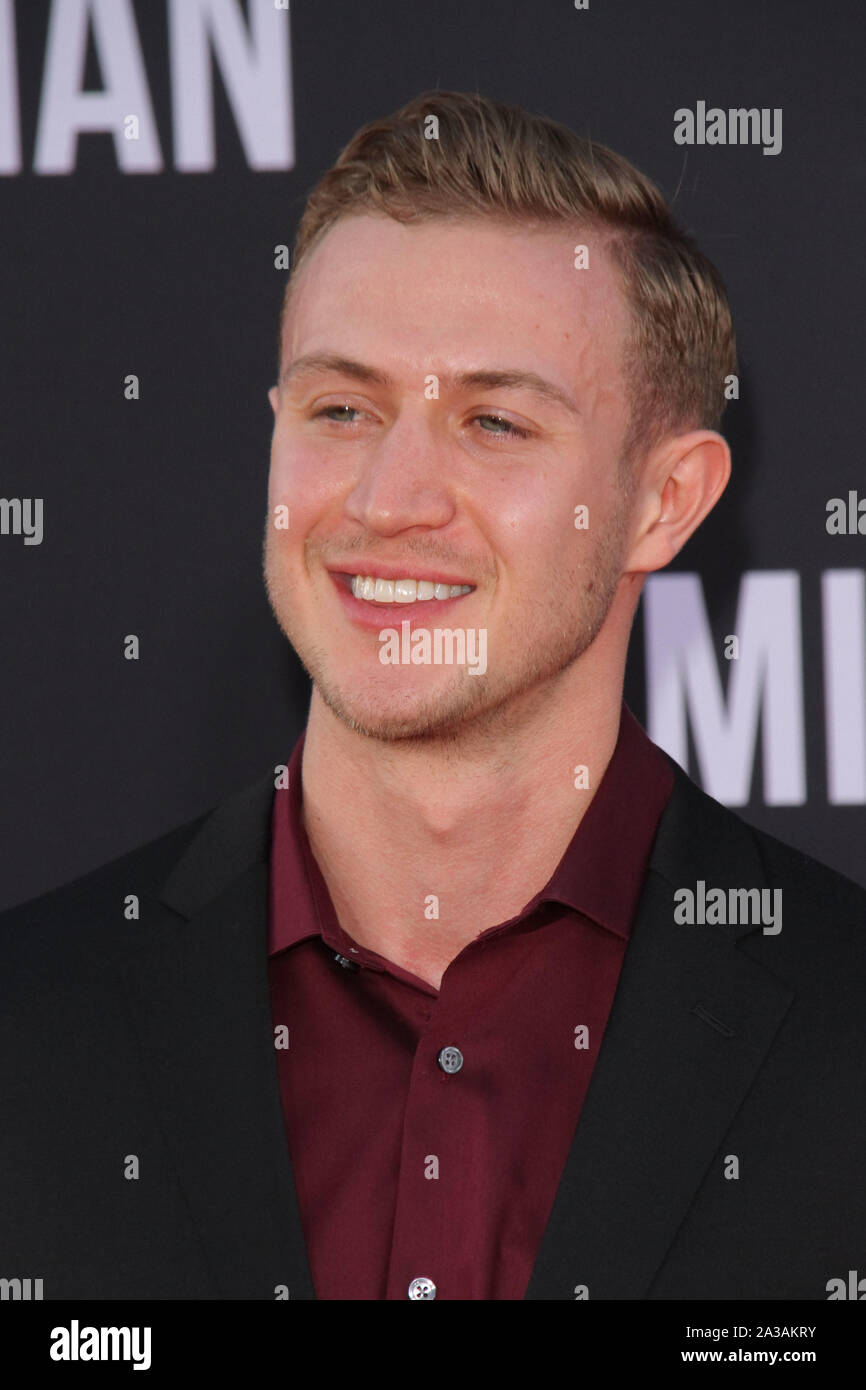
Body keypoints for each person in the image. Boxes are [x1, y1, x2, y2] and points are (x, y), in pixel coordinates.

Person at [2, 90, 864, 1302]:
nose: (388, 496)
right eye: (340, 408)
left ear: (662, 502)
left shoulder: (841, 1034)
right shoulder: (31, 1024)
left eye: (494, 421)